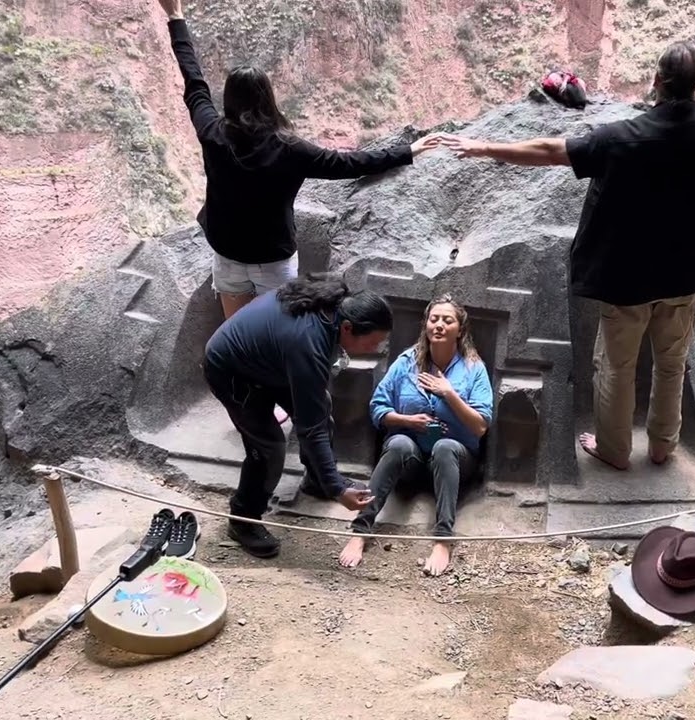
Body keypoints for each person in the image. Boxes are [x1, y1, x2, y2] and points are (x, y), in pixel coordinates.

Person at [439, 18, 695, 471]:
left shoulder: (622, 138)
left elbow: (549, 151)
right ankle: (663, 447)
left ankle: (614, 451)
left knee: (616, 368)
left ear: (657, 81)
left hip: (625, 281)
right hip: (685, 276)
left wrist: (480, 147)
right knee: (672, 365)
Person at [157, 0, 444, 320]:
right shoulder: (291, 149)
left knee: (236, 332)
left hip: (228, 256)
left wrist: (176, 17)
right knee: (273, 334)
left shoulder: (212, 134)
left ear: (229, 101)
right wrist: (408, 151)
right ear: (268, 99)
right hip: (273, 261)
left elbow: (194, 83)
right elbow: (349, 164)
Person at [203, 274, 392, 558]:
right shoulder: (309, 340)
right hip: (231, 372)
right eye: (372, 342)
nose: (376, 349)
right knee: (269, 448)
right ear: (348, 328)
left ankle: (316, 480)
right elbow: (310, 427)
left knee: (321, 405)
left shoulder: (334, 307)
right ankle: (243, 520)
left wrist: (331, 483)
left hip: (266, 363)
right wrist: (339, 489)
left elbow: (314, 411)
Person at [338, 294, 493, 576]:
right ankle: (361, 530)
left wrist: (449, 394)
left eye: (448, 320)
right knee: (397, 442)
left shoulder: (473, 368)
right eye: (434, 319)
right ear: (426, 325)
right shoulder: (406, 362)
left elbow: (481, 425)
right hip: (411, 461)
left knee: (446, 447)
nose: (439, 325)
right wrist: (407, 421)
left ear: (460, 329)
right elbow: (377, 407)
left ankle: (443, 539)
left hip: (454, 463)